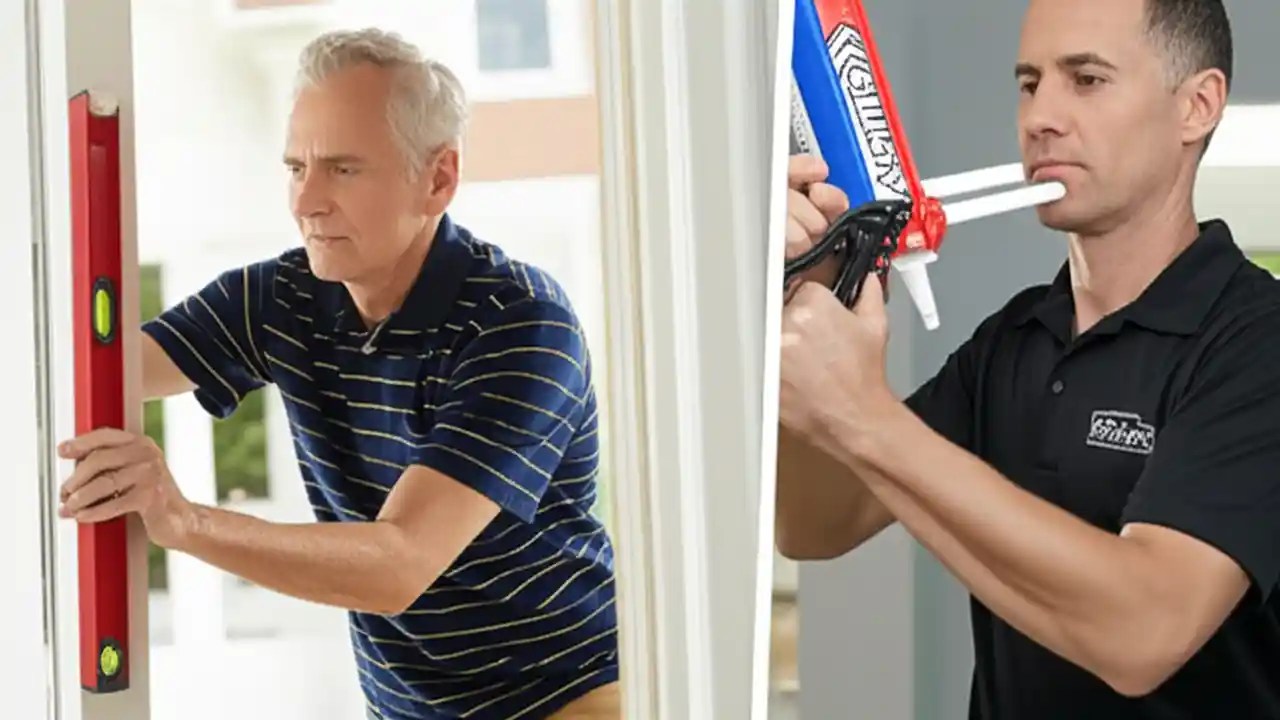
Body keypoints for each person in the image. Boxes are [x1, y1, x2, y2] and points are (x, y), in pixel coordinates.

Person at [56, 29, 619, 720]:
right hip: (405, 708)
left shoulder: (520, 325)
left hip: (568, 698)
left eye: (344, 170)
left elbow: (398, 564)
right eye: (297, 167)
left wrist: (181, 519)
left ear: (438, 178)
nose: (305, 202)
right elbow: (84, 375)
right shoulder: (281, 299)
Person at [777, 0, 1280, 718]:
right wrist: (812, 302)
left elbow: (1144, 632)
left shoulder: (1256, 343)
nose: (1041, 115)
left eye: (1086, 80)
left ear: (1196, 106)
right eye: (1029, 83)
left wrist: (868, 417)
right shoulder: (1014, 339)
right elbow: (813, 522)